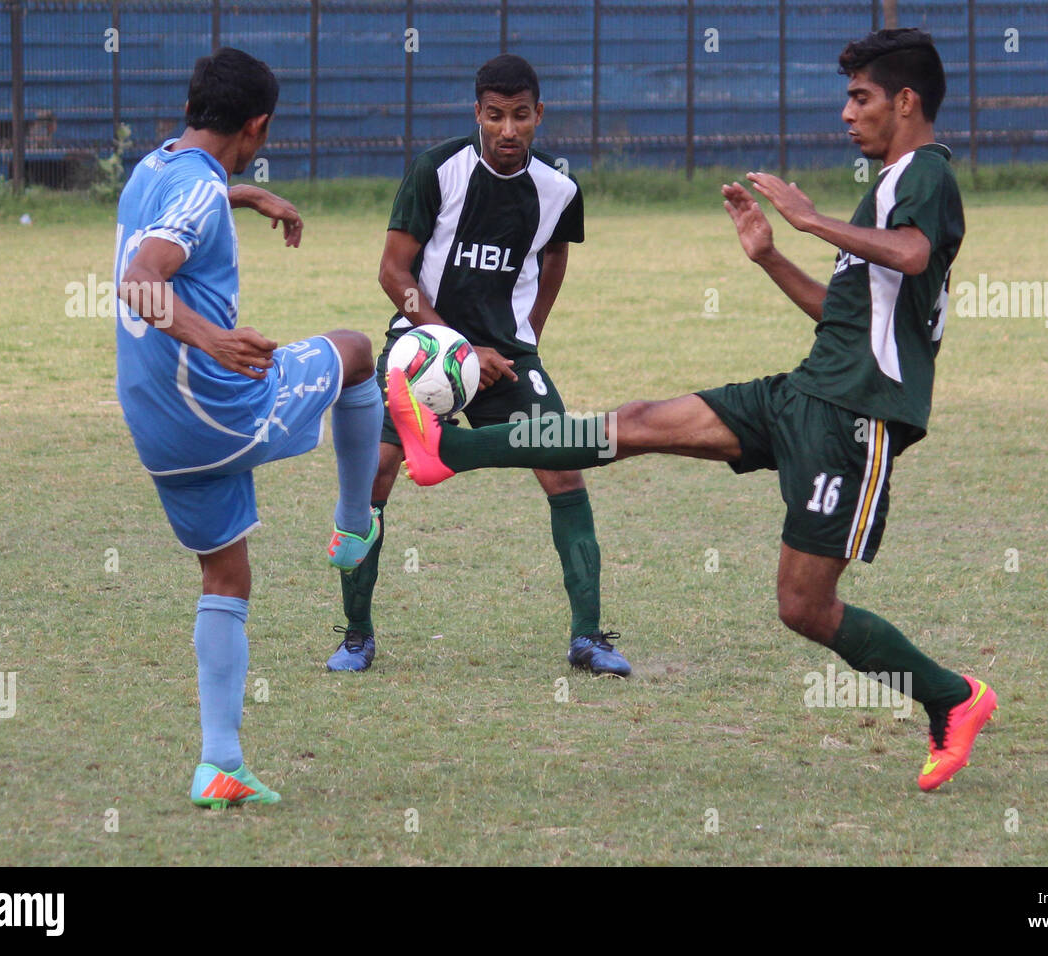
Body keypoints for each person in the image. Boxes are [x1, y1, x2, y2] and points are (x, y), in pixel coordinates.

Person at [387, 29, 997, 791]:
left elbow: (909, 254)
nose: (847, 113)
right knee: (637, 421)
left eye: (861, 98)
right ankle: (444, 449)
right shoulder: (892, 182)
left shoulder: (926, 176)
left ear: (906, 102)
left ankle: (954, 697)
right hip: (803, 392)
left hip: (855, 416)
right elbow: (847, 311)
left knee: (804, 607)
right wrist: (772, 255)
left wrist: (808, 221)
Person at [114, 47, 383, 807]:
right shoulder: (195, 196)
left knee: (225, 575)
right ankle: (353, 526)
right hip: (217, 408)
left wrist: (245, 196)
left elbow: (180, 211)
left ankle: (219, 764)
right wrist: (215, 340)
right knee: (358, 353)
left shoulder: (154, 167)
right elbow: (142, 280)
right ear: (258, 125)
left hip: (156, 427)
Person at [327, 54, 630, 677]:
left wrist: (529, 334)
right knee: (376, 473)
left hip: (509, 358)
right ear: (478, 114)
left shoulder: (559, 190)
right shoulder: (437, 170)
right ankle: (356, 634)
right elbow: (393, 272)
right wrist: (457, 348)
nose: (508, 129)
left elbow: (554, 259)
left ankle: (589, 638)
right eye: (495, 116)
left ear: (539, 115)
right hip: (423, 346)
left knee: (564, 463)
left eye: (521, 116)